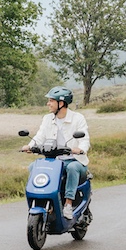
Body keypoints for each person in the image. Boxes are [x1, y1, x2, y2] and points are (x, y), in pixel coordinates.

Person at [21, 86, 89, 219]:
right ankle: (40, 200)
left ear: (61, 103)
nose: (48, 103)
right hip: (54, 160)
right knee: (33, 167)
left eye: (51, 100)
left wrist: (80, 149)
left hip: (75, 160)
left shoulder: (78, 118)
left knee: (72, 168)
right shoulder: (47, 118)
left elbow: (85, 139)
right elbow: (40, 136)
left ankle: (68, 203)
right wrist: (29, 146)